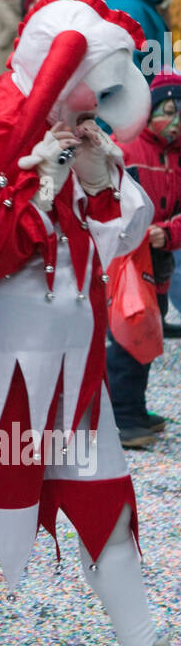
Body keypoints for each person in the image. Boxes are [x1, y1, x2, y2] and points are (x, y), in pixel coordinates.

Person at [0, 0, 181, 646]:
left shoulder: (73, 127)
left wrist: (101, 179)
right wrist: (35, 193)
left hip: (71, 363)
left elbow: (115, 238)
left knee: (107, 503)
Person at [107, 70, 181, 445]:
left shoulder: (178, 158)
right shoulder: (128, 147)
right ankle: (119, 415)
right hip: (128, 267)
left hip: (160, 265)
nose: (176, 122)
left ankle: (133, 407)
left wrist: (167, 233)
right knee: (125, 338)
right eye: (168, 111)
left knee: (148, 338)